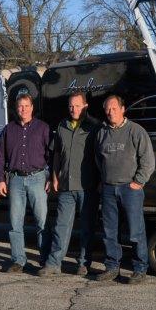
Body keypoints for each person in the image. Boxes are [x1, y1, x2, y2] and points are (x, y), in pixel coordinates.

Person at [91, 94, 155, 284]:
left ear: (123, 109)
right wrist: (102, 180)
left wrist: (139, 181)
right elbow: (98, 159)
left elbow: (148, 160)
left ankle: (139, 269)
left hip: (130, 189)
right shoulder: (102, 132)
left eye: (114, 108)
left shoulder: (136, 131)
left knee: (135, 230)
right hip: (109, 189)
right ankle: (112, 268)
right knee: (110, 231)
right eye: (108, 109)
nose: (110, 112)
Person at [40, 91, 101, 277]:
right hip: (66, 185)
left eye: (77, 105)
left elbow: (100, 156)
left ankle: (84, 263)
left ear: (85, 106)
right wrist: (55, 176)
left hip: (87, 186)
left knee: (87, 228)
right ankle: (53, 263)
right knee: (61, 226)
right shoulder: (62, 125)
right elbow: (57, 153)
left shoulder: (94, 127)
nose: (73, 109)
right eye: (70, 106)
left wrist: (99, 181)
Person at [0, 93, 52, 273]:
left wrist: (50, 177)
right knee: (15, 222)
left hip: (38, 177)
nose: (23, 109)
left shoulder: (43, 128)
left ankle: (45, 260)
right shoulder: (8, 129)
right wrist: (0, 179)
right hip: (15, 179)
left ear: (32, 108)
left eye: (26, 106)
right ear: (16, 108)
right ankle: (18, 260)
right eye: (20, 106)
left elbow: (52, 155)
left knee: (41, 221)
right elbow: (0, 156)